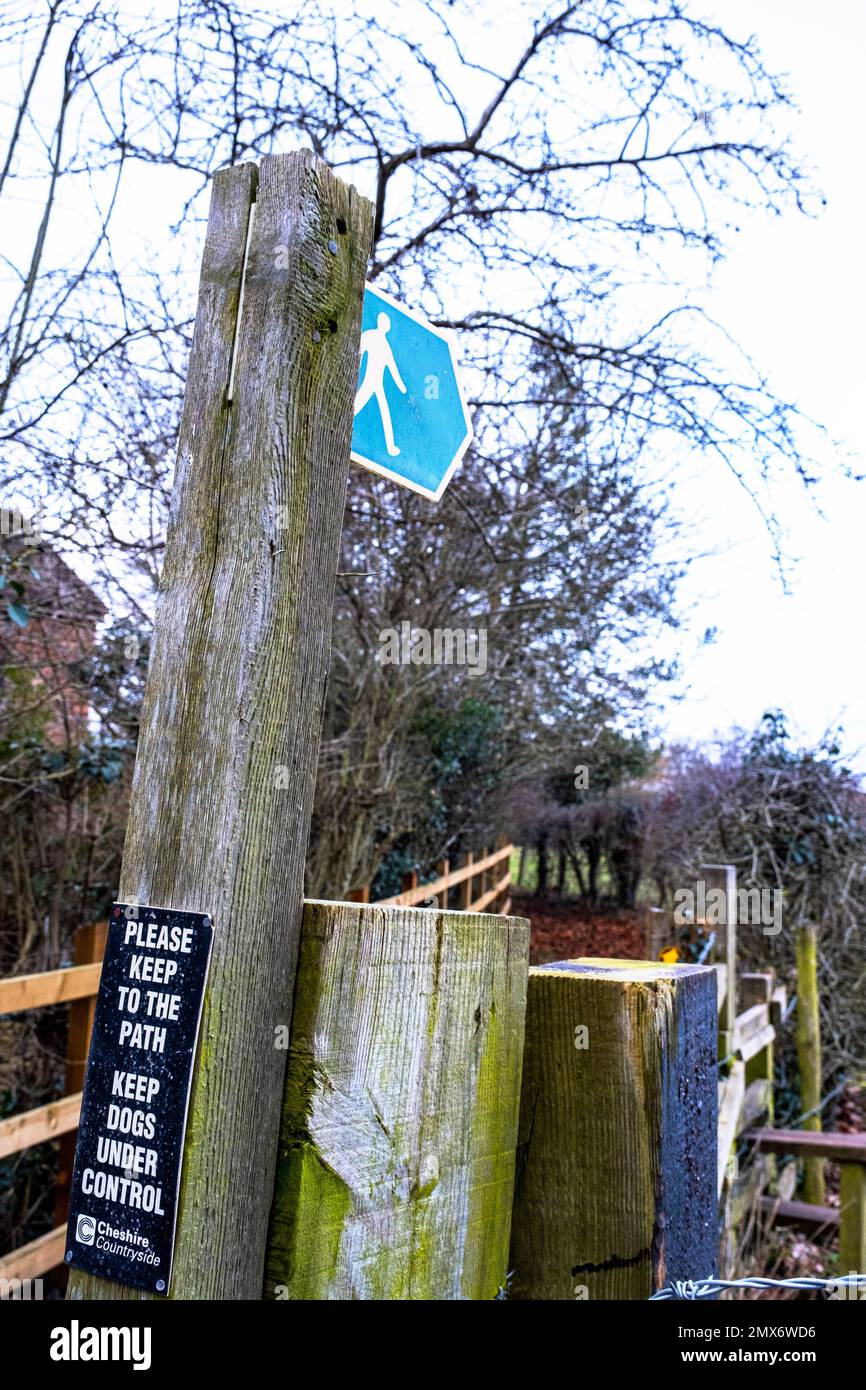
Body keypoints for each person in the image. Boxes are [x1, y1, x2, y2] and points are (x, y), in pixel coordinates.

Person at [354, 312, 407, 456]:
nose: (386, 326)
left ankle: (390, 447)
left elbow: (393, 367)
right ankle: (338, 426)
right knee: (354, 408)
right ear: (380, 322)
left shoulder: (385, 345)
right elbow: (358, 353)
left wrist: (402, 387)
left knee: (384, 410)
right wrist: (353, 373)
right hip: (368, 380)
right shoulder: (369, 335)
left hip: (377, 384)